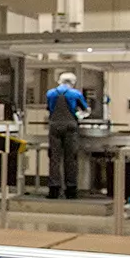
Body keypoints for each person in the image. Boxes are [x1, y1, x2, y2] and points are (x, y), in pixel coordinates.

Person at [45, 71, 89, 199]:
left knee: (54, 158)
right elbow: (85, 110)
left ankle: (54, 189)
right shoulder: (75, 94)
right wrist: (78, 115)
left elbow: (49, 109)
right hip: (70, 127)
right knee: (70, 158)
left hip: (54, 127)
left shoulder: (50, 93)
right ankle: (71, 189)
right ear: (73, 83)